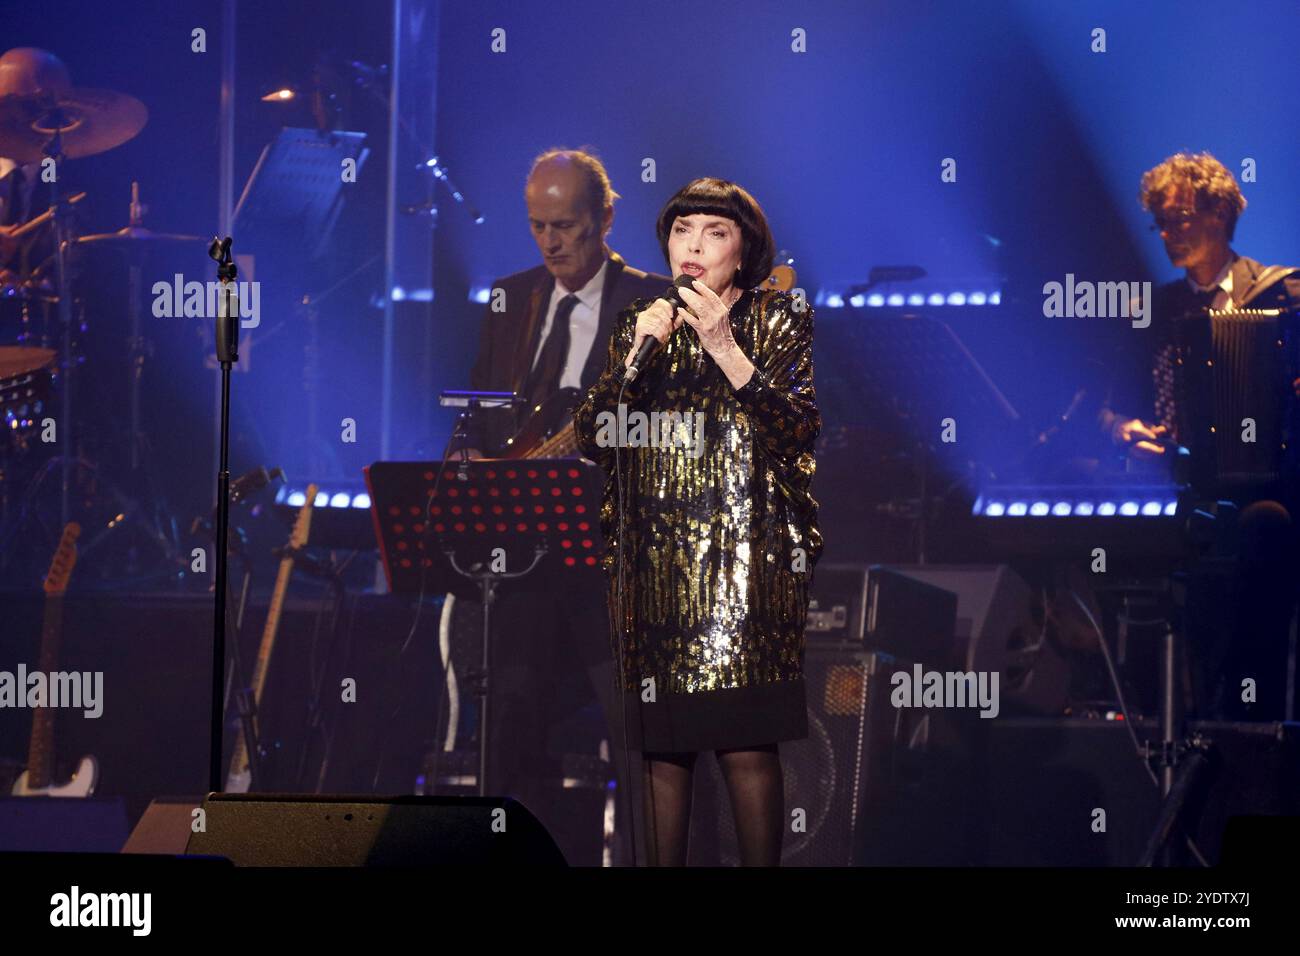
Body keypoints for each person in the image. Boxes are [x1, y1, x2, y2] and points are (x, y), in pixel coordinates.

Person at [573, 177, 822, 865]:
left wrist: (725, 347)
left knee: (745, 743)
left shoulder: (777, 319)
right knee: (663, 750)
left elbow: (796, 430)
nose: (695, 245)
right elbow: (594, 436)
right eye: (684, 230)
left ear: (742, 252)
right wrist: (630, 364)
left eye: (715, 233)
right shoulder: (640, 323)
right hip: (657, 569)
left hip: (745, 568)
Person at [459, 148, 667, 865]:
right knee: (509, 737)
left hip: (613, 573)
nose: (550, 242)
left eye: (567, 226)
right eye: (537, 225)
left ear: (606, 217)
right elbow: (479, 410)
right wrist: (471, 459)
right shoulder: (511, 299)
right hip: (524, 569)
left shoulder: (653, 305)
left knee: (641, 744)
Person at [1100, 152, 1300, 721]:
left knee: (1267, 533)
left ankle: (1249, 728)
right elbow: (1107, 413)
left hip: (1272, 494)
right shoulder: (1155, 311)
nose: (1166, 234)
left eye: (1178, 219)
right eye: (1159, 223)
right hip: (1178, 490)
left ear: (1218, 214)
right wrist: (1127, 431)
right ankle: (1159, 722)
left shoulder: (1284, 296)